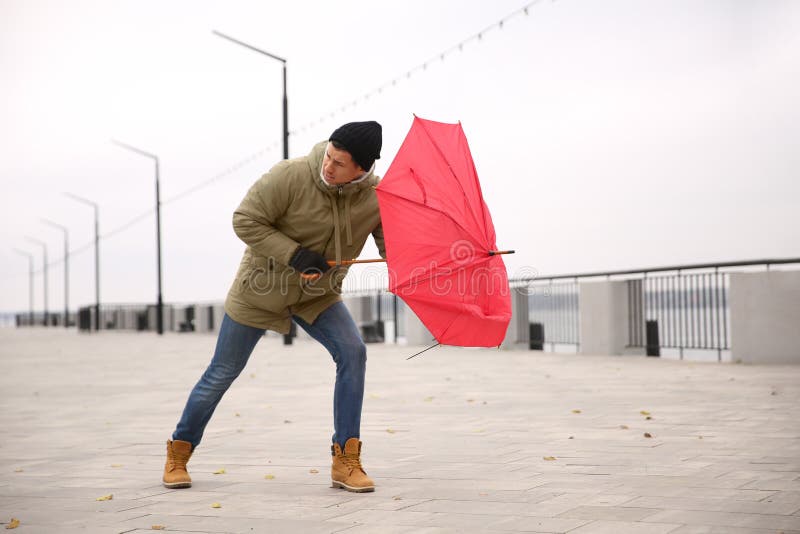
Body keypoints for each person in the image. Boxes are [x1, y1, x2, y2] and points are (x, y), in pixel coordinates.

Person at [162, 121, 385, 493]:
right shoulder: (290, 175)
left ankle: (346, 460)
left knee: (353, 352)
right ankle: (179, 452)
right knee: (222, 372)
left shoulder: (377, 196)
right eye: (329, 156)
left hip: (318, 295)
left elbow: (392, 246)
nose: (328, 166)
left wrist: (432, 257)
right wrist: (295, 255)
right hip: (260, 291)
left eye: (339, 163)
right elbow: (245, 220)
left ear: (361, 169)